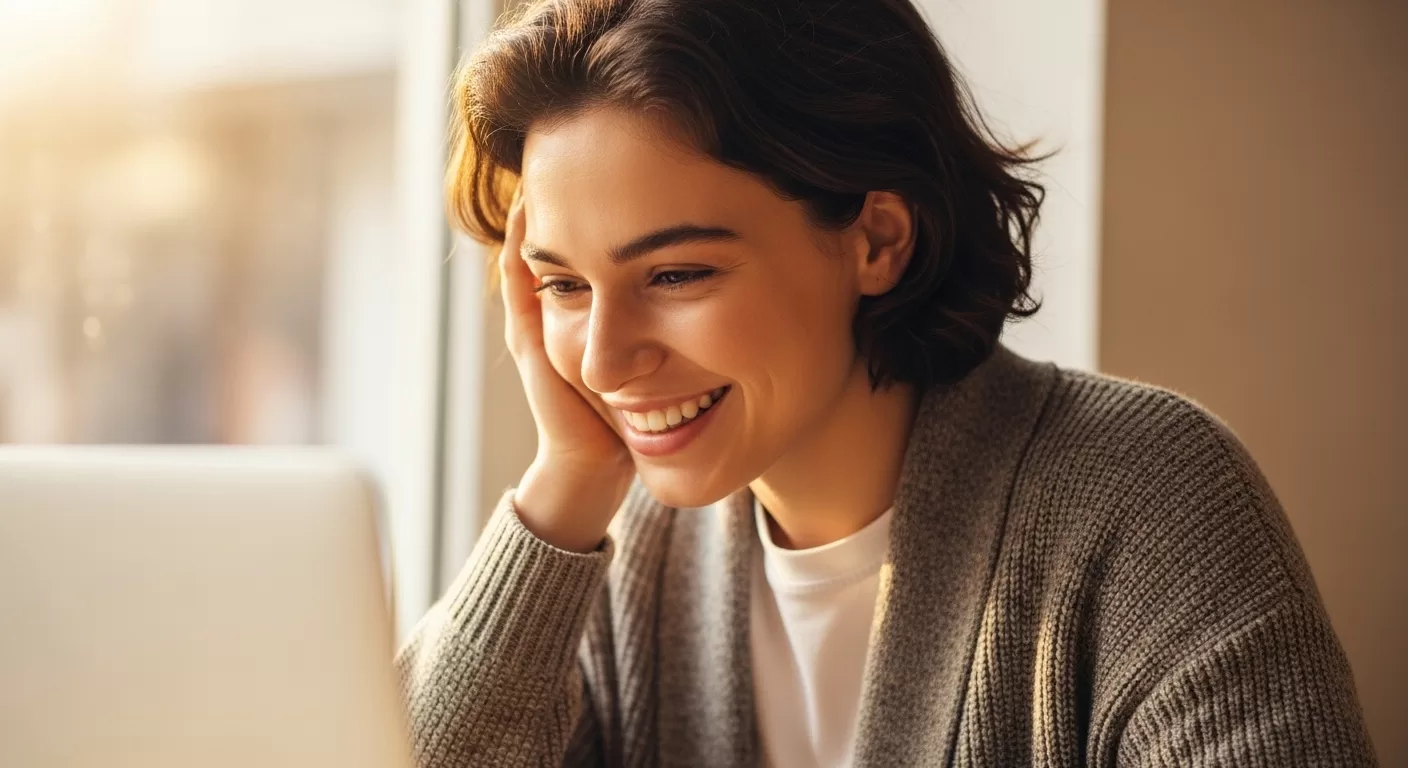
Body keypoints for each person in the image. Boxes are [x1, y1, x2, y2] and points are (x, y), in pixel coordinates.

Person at [395, 0, 1376, 765]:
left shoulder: (1145, 499)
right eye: (563, 284)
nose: (603, 361)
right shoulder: (624, 562)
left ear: (875, 240)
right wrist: (565, 484)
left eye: (676, 274)